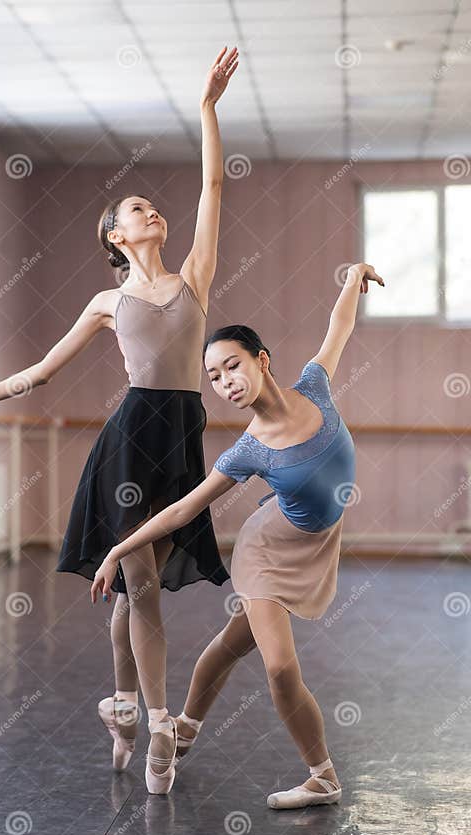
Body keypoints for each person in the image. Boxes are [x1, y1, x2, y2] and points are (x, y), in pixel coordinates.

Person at [0, 45, 240, 797]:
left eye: (151, 206)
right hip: (128, 446)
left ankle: (125, 705)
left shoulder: (195, 275)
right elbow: (40, 371)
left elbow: (213, 183)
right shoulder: (107, 303)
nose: (150, 210)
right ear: (114, 237)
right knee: (141, 586)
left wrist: (206, 109)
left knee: (137, 591)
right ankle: (159, 726)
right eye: (135, 209)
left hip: (180, 440)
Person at [92, 262, 385, 806]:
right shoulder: (247, 450)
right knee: (278, 665)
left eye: (233, 367)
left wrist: (350, 281)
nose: (226, 383)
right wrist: (119, 548)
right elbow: (181, 510)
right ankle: (323, 775)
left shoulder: (315, 388)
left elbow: (337, 328)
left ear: (262, 361)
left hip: (317, 544)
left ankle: (182, 729)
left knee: (229, 646)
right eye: (215, 377)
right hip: (267, 551)